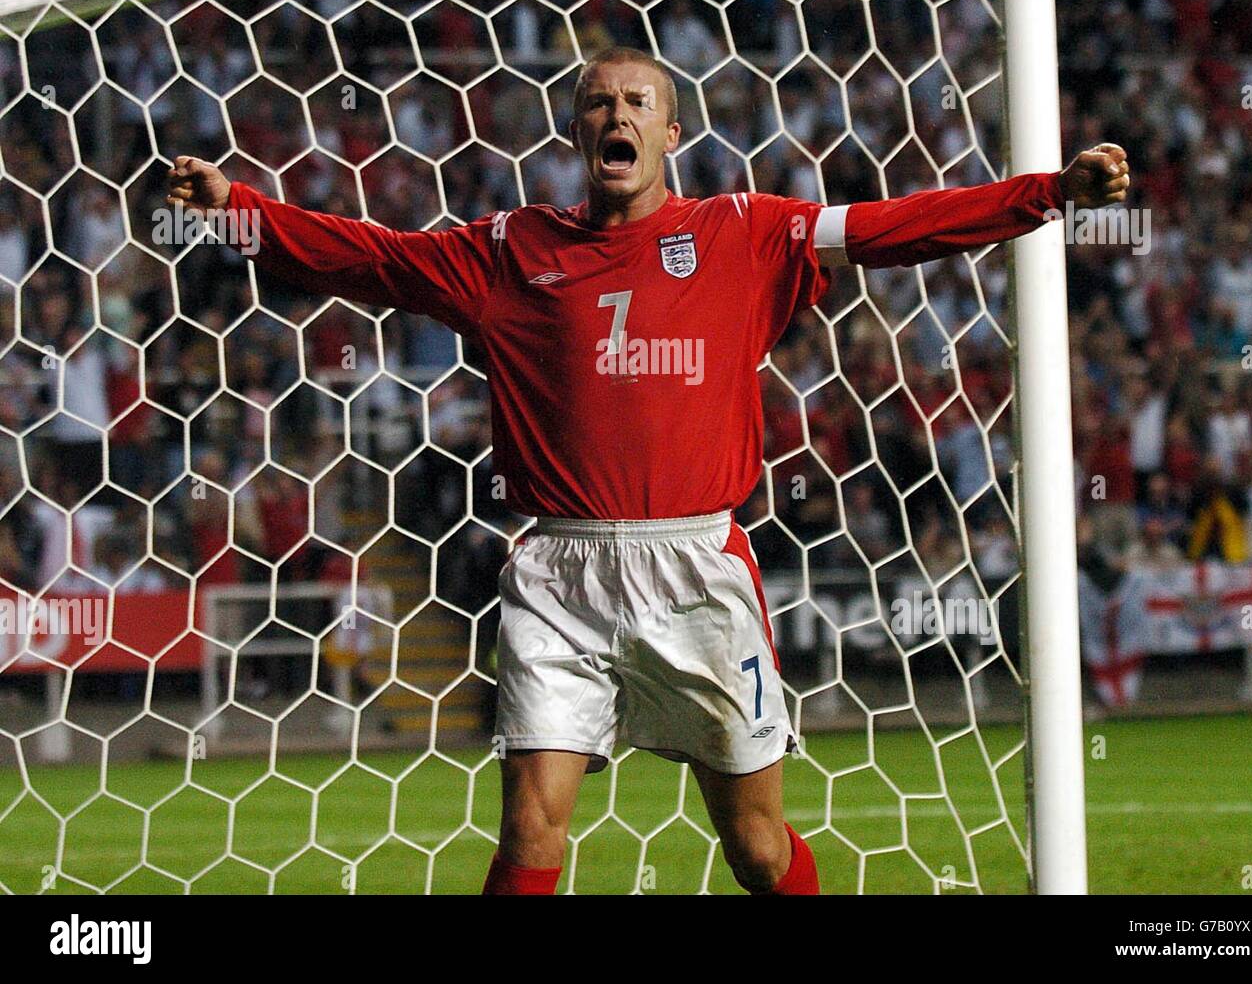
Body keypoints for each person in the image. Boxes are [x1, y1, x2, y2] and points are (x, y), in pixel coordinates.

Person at [168, 46, 1130, 896]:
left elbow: (893, 227)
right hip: (559, 573)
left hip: (697, 568)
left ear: (672, 128)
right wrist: (238, 210)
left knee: (754, 845)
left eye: (636, 102)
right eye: (596, 102)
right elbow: (369, 258)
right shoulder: (512, 251)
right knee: (529, 827)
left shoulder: (746, 232)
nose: (615, 116)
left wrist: (1044, 193)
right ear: (574, 127)